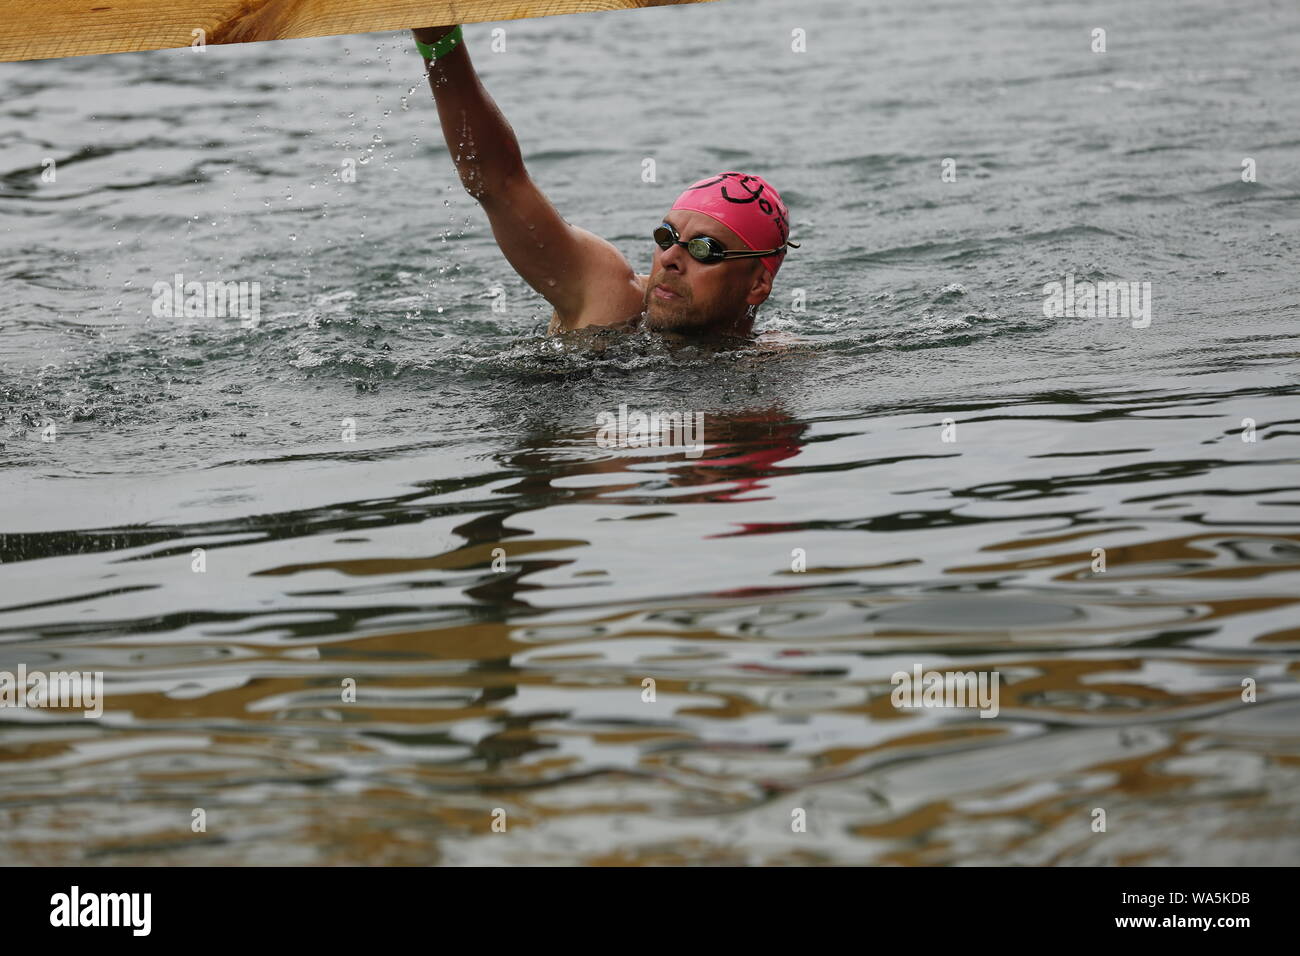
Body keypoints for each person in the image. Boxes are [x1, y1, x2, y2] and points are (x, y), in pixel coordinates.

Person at [411, 24, 799, 341]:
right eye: (666, 236)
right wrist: (438, 41)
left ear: (758, 285)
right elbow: (497, 182)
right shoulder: (609, 298)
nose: (669, 259)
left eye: (703, 249)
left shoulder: (773, 361)